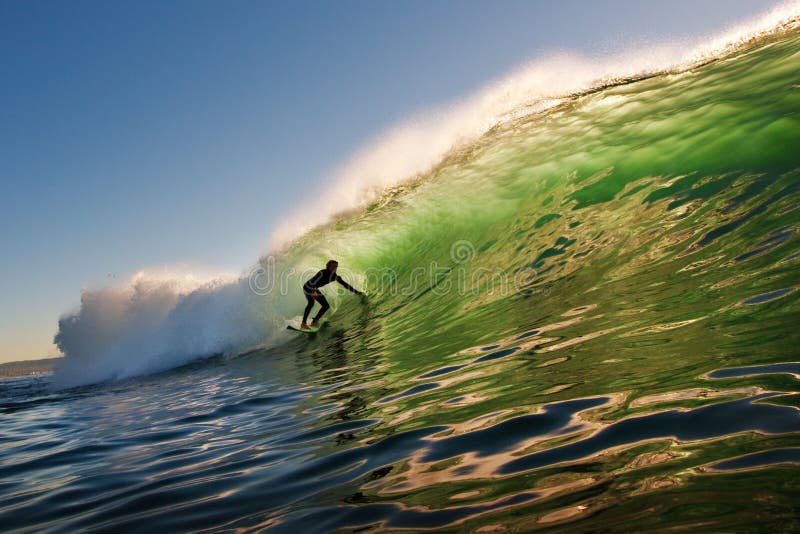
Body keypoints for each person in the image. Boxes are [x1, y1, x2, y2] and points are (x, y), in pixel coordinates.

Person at [301, 260, 363, 329]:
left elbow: (345, 285)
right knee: (311, 303)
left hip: (314, 289)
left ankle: (314, 321)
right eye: (333, 266)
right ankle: (303, 323)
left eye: (336, 267)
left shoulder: (334, 276)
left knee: (326, 306)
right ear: (328, 267)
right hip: (308, 287)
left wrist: (356, 292)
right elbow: (313, 282)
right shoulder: (322, 272)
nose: (335, 268)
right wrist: (314, 291)